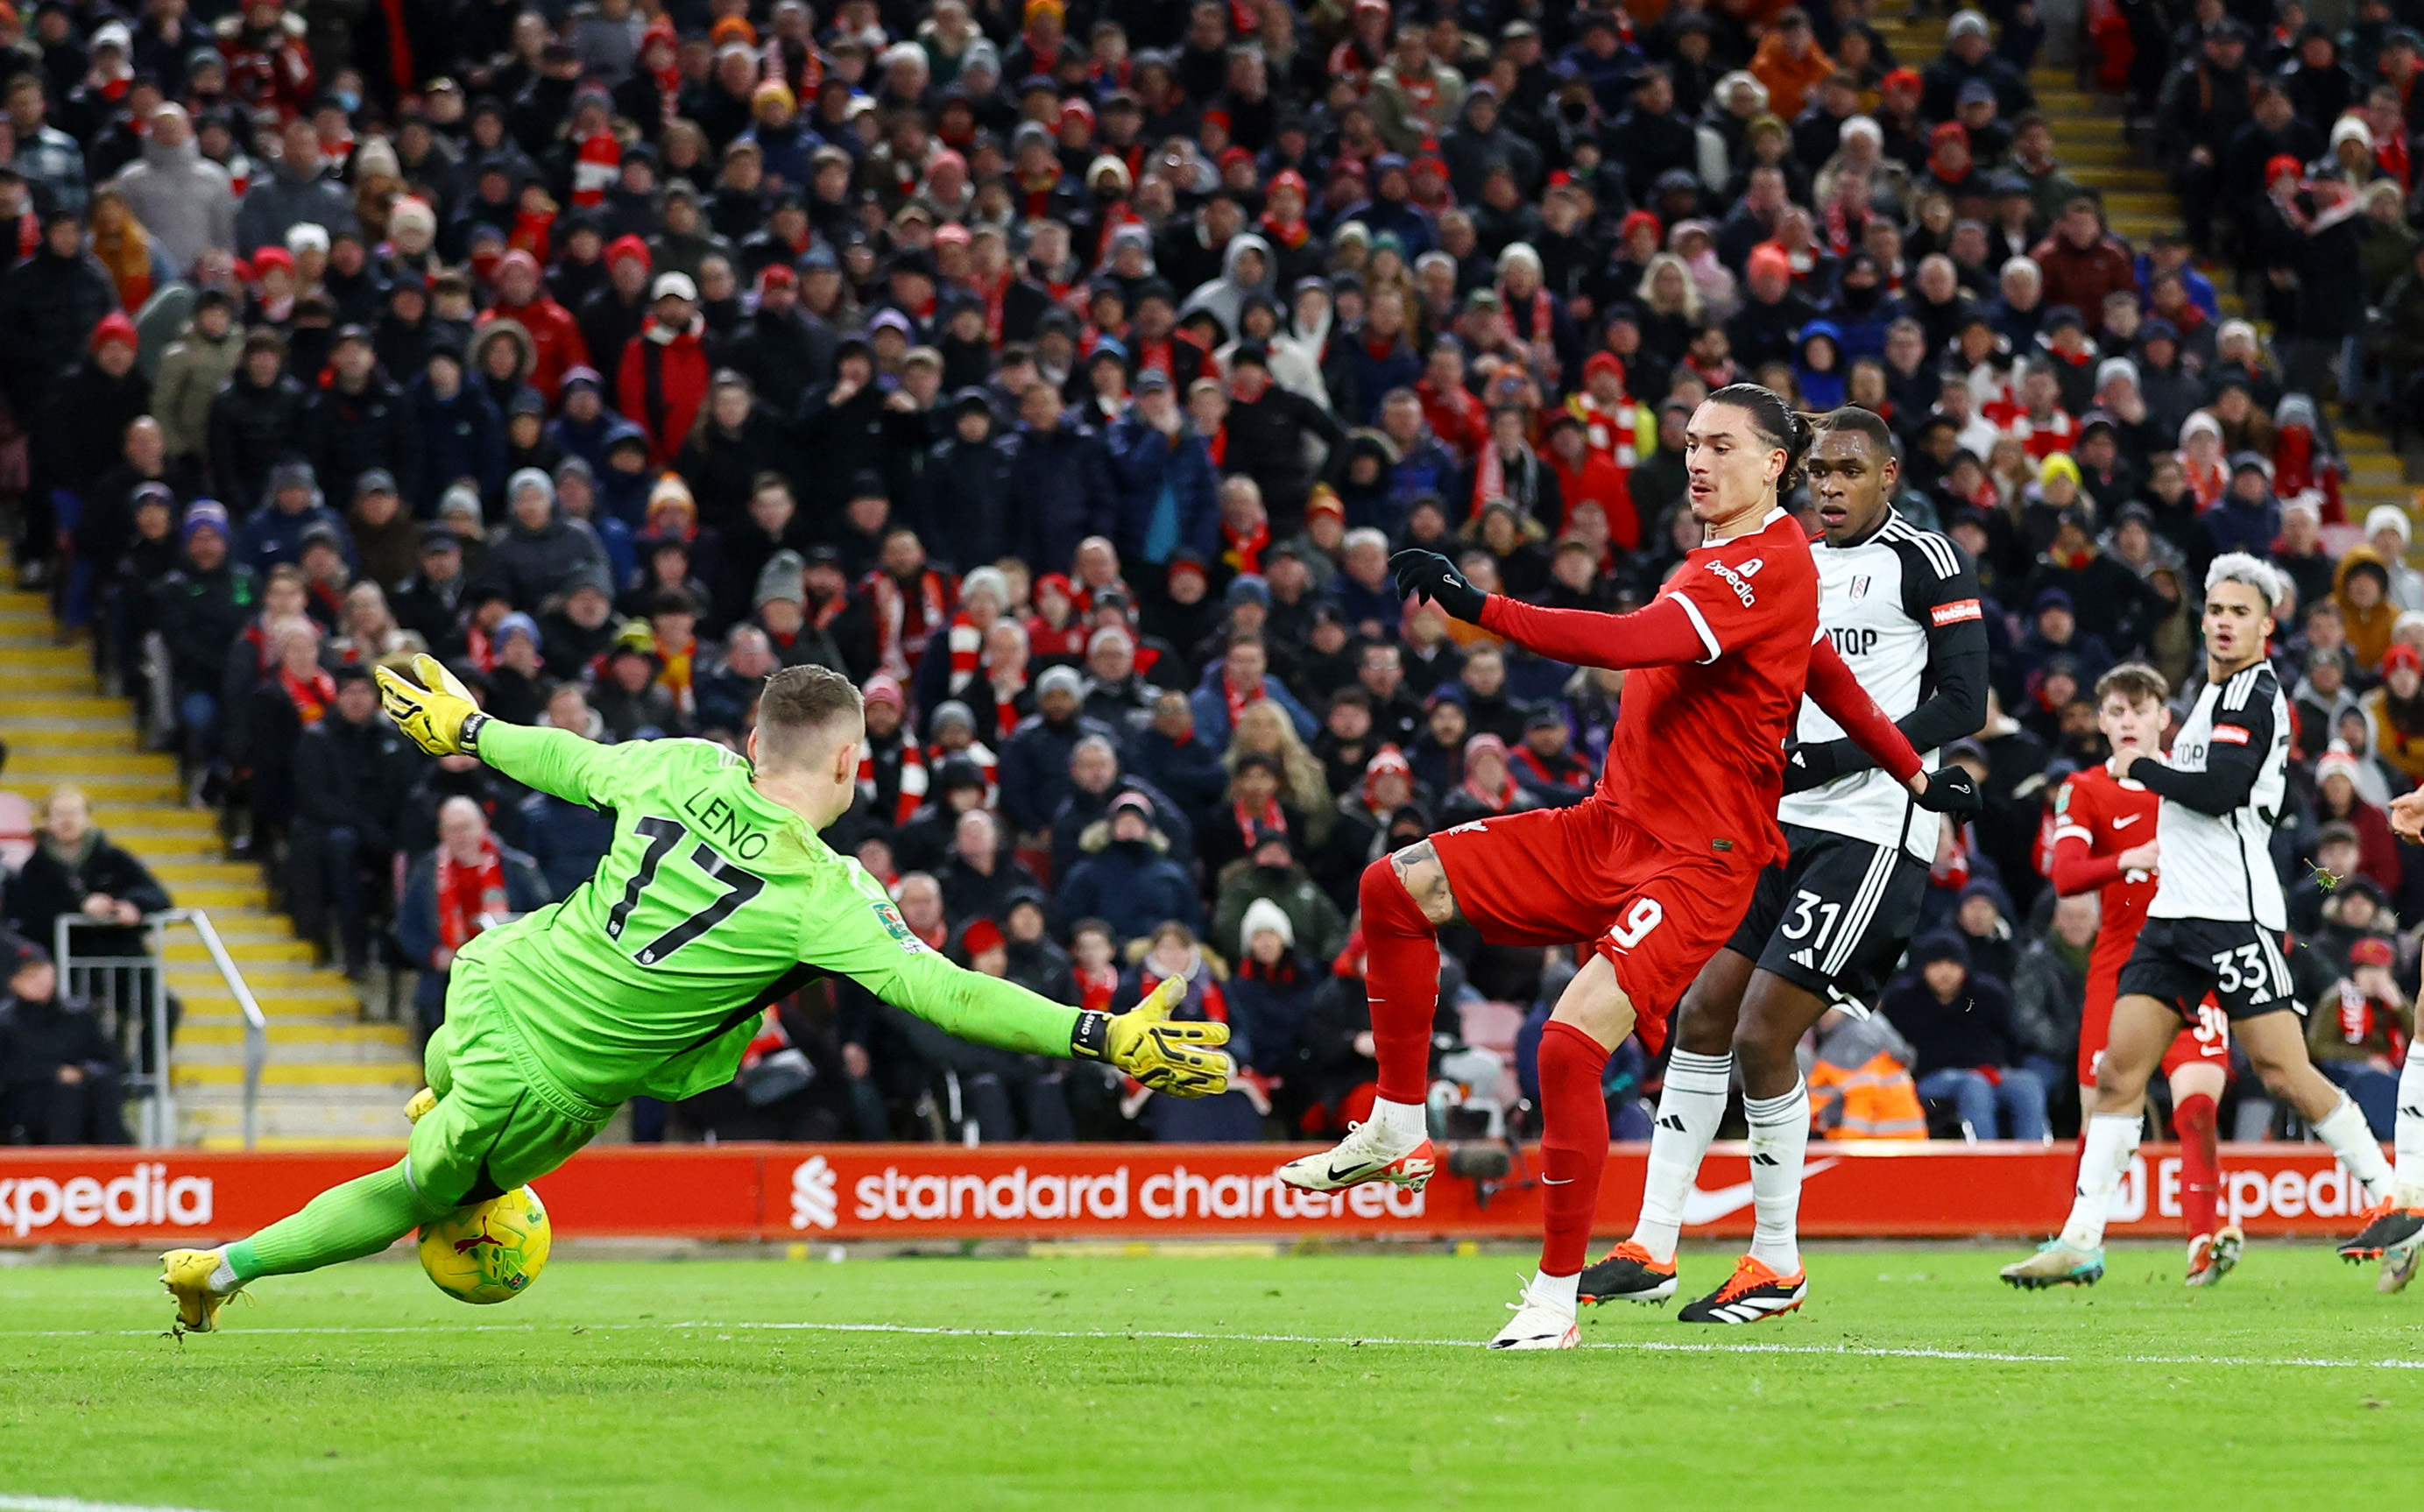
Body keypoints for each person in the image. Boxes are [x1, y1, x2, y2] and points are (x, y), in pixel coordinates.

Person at [161, 661, 1232, 1332]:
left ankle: (437, 1093)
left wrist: (470, 729)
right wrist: (1098, 1031)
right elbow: (945, 993)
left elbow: (568, 758)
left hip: (495, 967)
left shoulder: (678, 764)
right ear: (853, 761)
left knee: (455, 1070)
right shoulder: (829, 892)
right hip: (548, 1081)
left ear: (755, 740)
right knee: (416, 1195)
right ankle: (226, 1266)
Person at [1278, 385, 1971, 1349]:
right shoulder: (1736, 562)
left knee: (1570, 1048)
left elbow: (1621, 641)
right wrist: (1916, 773)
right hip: (1609, 828)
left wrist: (1475, 605)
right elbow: (1829, 676)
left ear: (1775, 462)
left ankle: (1556, 1299)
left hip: (1697, 863)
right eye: (1688, 442)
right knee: (1393, 886)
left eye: (1720, 445)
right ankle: (1399, 1123)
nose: (1696, 460)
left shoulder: (1759, 567)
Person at [1582, 407, 1989, 1324]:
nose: (1831, 488)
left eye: (1850, 472)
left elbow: (1964, 700)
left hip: (1872, 832)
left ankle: (1776, 1261)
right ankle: (1653, 1239)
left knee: (1766, 1031)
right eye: (1820, 474)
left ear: (1888, 474)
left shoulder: (1928, 561)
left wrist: (1834, 759)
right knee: (1702, 1009)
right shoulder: (1786, 561)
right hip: (1768, 826)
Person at [2004, 556, 2398, 1289]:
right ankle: (2081, 1237)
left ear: (2265, 624)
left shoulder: (2255, 693)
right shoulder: (2208, 694)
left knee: (2283, 1071)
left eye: (2238, 611)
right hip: (2171, 918)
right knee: (2119, 1071)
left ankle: (2393, 1196)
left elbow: (2219, 790)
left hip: (2232, 918)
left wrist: (2142, 769)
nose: (2221, 620)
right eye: (2213, 608)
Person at [2045, 663, 2238, 1284]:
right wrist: (2129, 856)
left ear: (2163, 718)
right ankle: (2079, 1243)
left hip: (2193, 961)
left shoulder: (2195, 785)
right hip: (2118, 968)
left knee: (2198, 1107)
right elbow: (2065, 875)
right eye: (2116, 712)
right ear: (2101, 722)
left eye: (2139, 710)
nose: (2128, 722)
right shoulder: (2082, 789)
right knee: (2098, 1111)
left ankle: (2201, 1243)